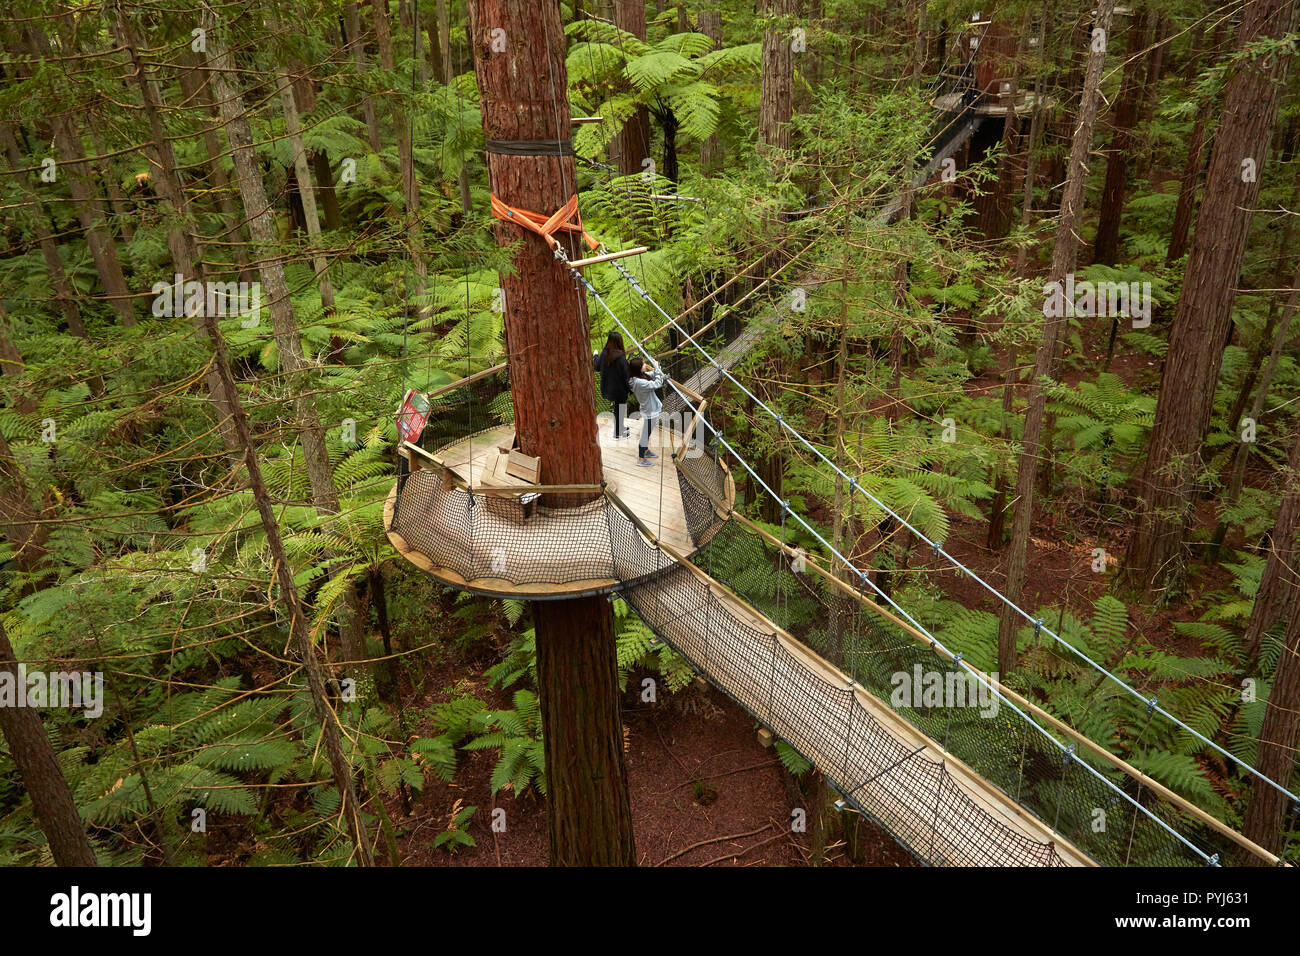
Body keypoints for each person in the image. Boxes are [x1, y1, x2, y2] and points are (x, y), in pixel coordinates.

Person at [628, 355, 666, 467]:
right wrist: (657, 368)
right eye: (643, 364)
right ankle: (641, 458)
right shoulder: (639, 382)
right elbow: (657, 384)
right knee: (645, 434)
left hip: (651, 408)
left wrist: (656, 368)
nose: (645, 365)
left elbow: (653, 374)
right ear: (639, 368)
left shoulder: (640, 376)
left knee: (648, 432)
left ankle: (645, 450)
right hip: (650, 410)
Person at [593, 331, 630, 439]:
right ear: (619, 342)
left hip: (608, 389)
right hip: (620, 390)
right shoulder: (621, 357)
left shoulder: (605, 353)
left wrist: (595, 355)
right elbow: (626, 374)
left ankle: (620, 427)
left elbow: (597, 367)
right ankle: (618, 433)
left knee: (617, 409)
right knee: (620, 409)